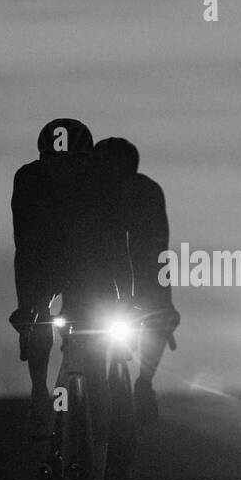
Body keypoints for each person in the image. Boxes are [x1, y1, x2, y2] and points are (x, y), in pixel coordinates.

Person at [9, 118, 131, 480]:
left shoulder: (103, 181)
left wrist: (127, 300)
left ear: (87, 161)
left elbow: (118, 246)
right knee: (37, 321)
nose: (65, 171)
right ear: (43, 160)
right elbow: (24, 243)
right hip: (43, 264)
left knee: (97, 379)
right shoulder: (29, 179)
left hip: (91, 273)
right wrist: (27, 307)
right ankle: (39, 393)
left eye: (74, 164)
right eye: (56, 163)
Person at [93, 137, 180, 423]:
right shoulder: (87, 195)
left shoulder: (148, 192)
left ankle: (144, 382)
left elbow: (157, 246)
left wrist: (163, 299)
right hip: (99, 276)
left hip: (142, 273)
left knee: (160, 319)